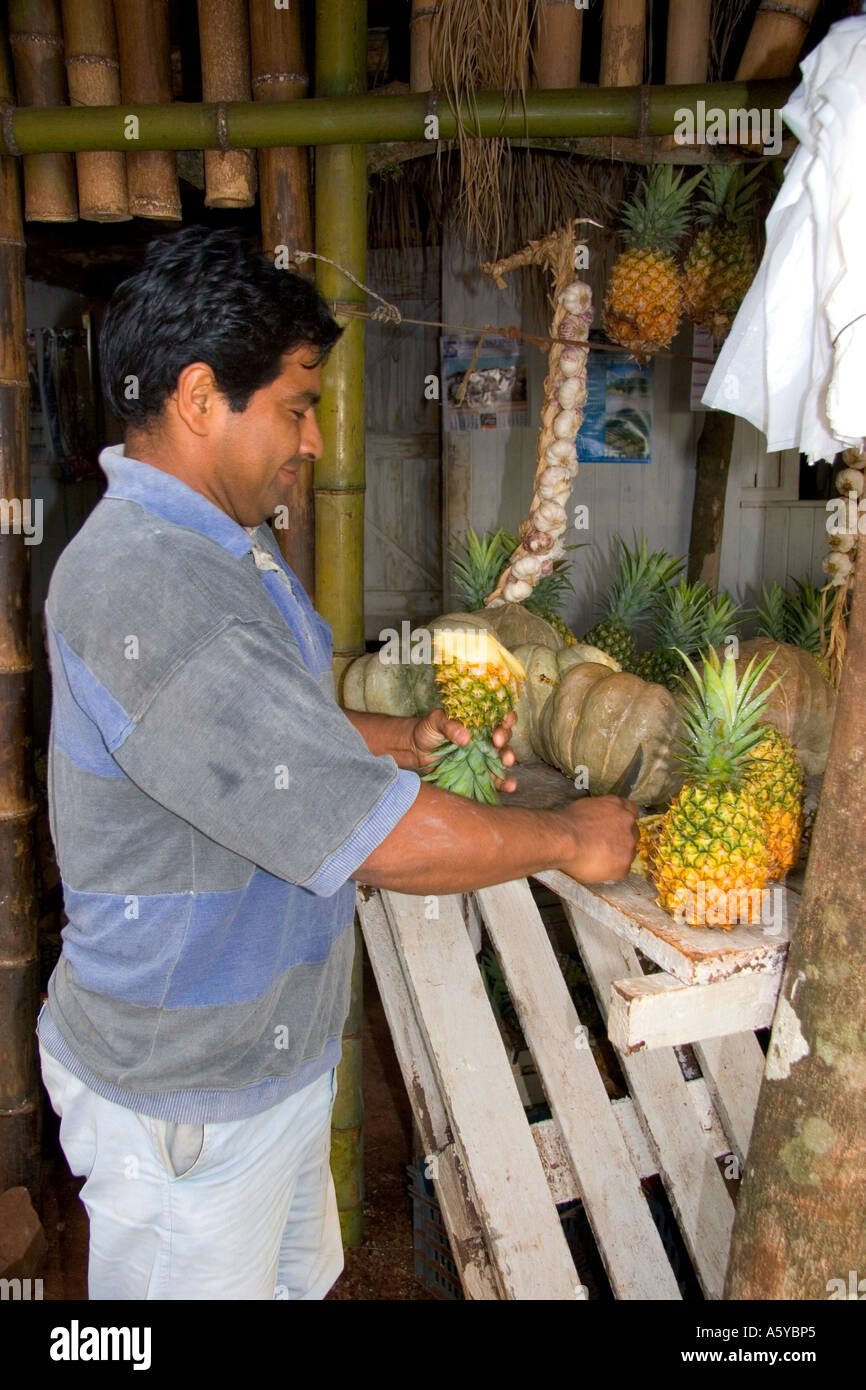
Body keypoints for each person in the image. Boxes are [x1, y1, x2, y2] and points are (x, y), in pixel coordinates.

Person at [37, 226, 637, 1301]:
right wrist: (568, 837)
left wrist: (403, 740)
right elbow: (384, 842)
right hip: (189, 1094)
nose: (309, 444)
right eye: (296, 408)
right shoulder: (152, 586)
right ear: (198, 397)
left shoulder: (220, 544)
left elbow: (273, 735)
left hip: (258, 1066)